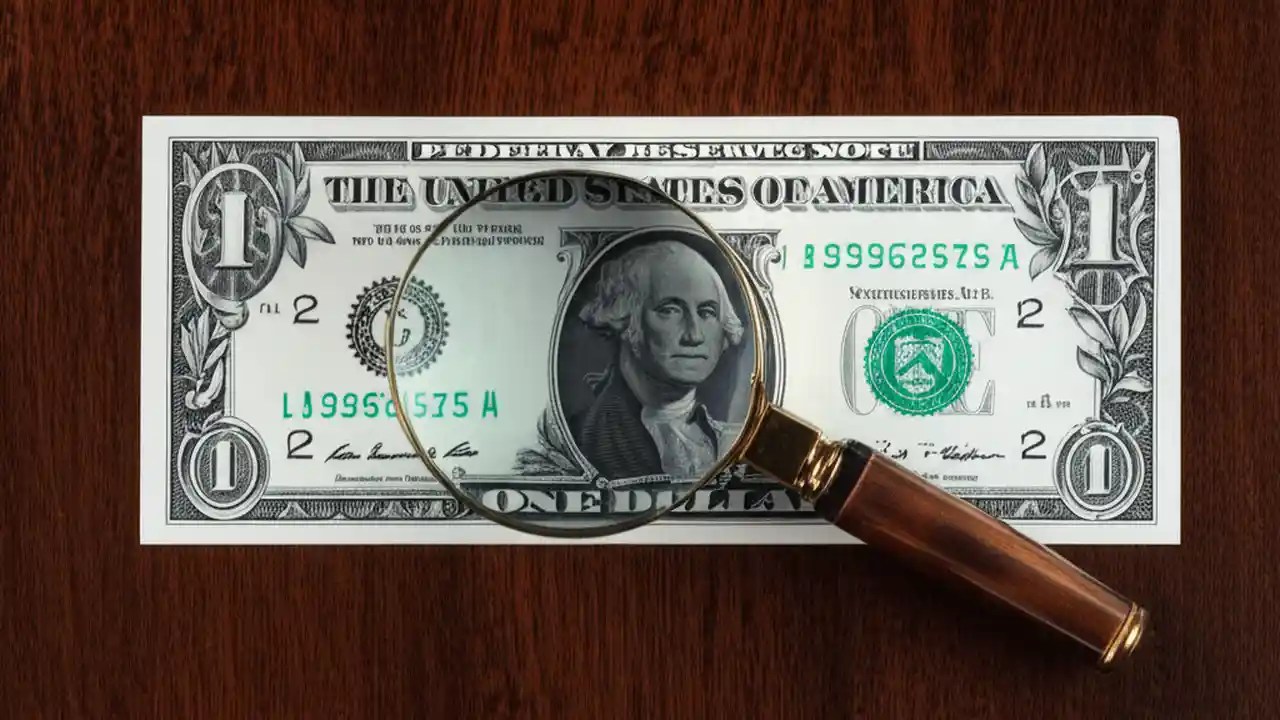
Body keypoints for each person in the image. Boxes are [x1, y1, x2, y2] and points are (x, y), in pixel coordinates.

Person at [568, 239, 745, 481]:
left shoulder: (737, 443)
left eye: (707, 312)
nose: (694, 335)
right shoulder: (576, 441)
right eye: (670, 310)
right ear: (626, 318)